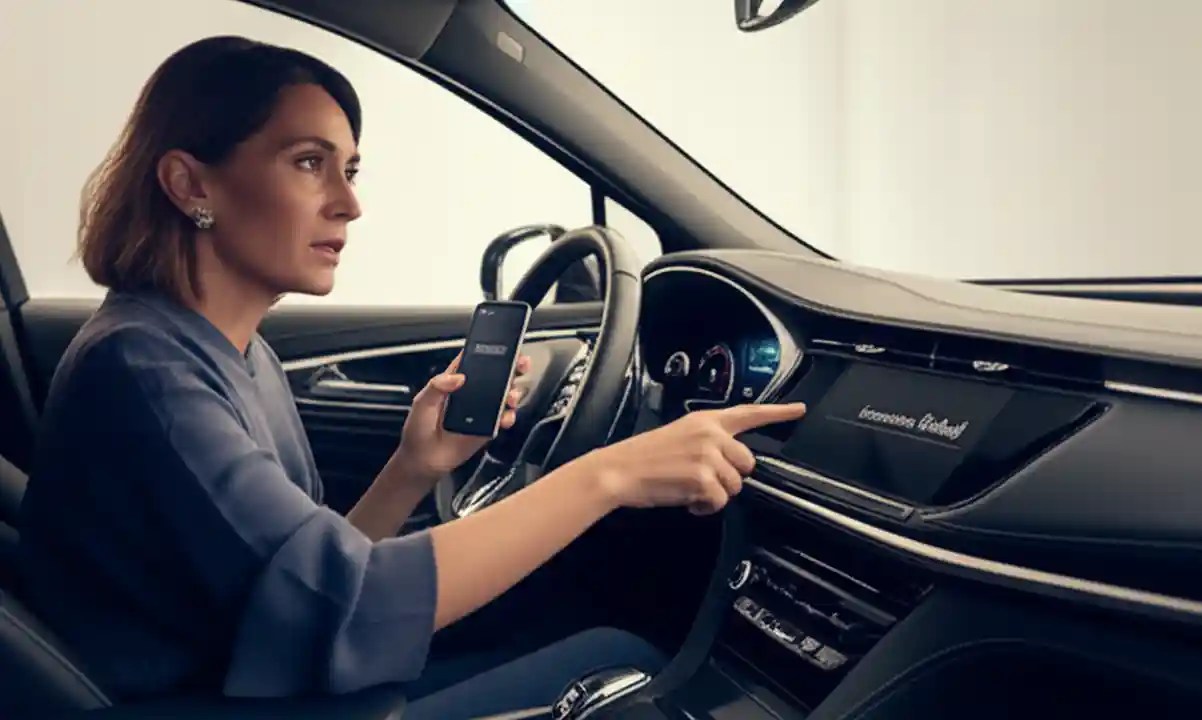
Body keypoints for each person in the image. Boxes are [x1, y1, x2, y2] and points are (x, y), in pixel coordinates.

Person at [15, 35, 805, 719]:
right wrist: (611, 475)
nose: (349, 203)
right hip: (209, 705)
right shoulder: (146, 374)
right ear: (192, 185)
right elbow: (348, 607)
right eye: (308, 163)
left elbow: (296, 586)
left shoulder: (225, 349)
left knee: (566, 616)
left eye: (350, 168)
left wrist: (411, 469)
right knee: (615, 658)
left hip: (252, 682)